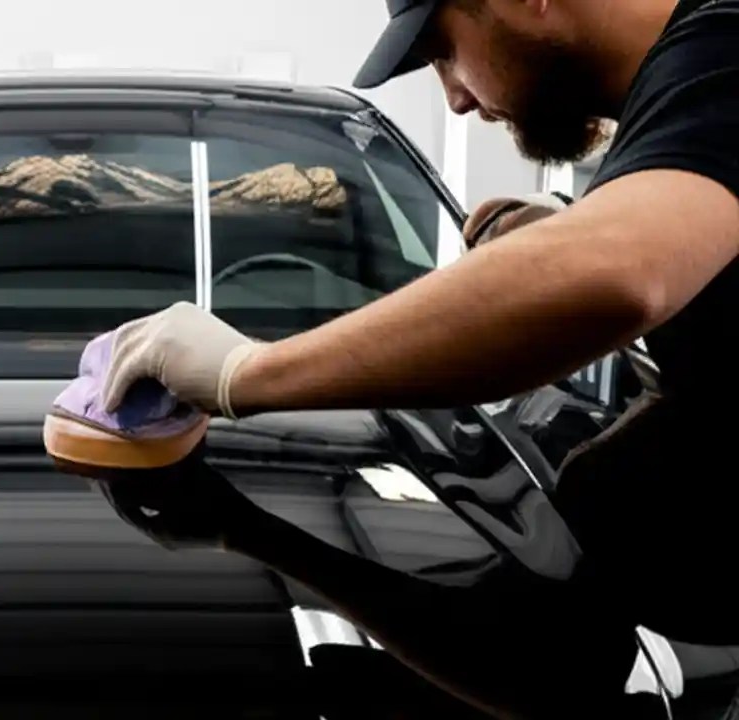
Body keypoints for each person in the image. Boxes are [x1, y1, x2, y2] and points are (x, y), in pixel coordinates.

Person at [100, 0, 739, 644]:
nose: (455, 99)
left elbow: (613, 273)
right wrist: (581, 226)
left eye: (442, 52)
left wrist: (245, 373)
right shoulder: (688, 94)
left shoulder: (725, 46)